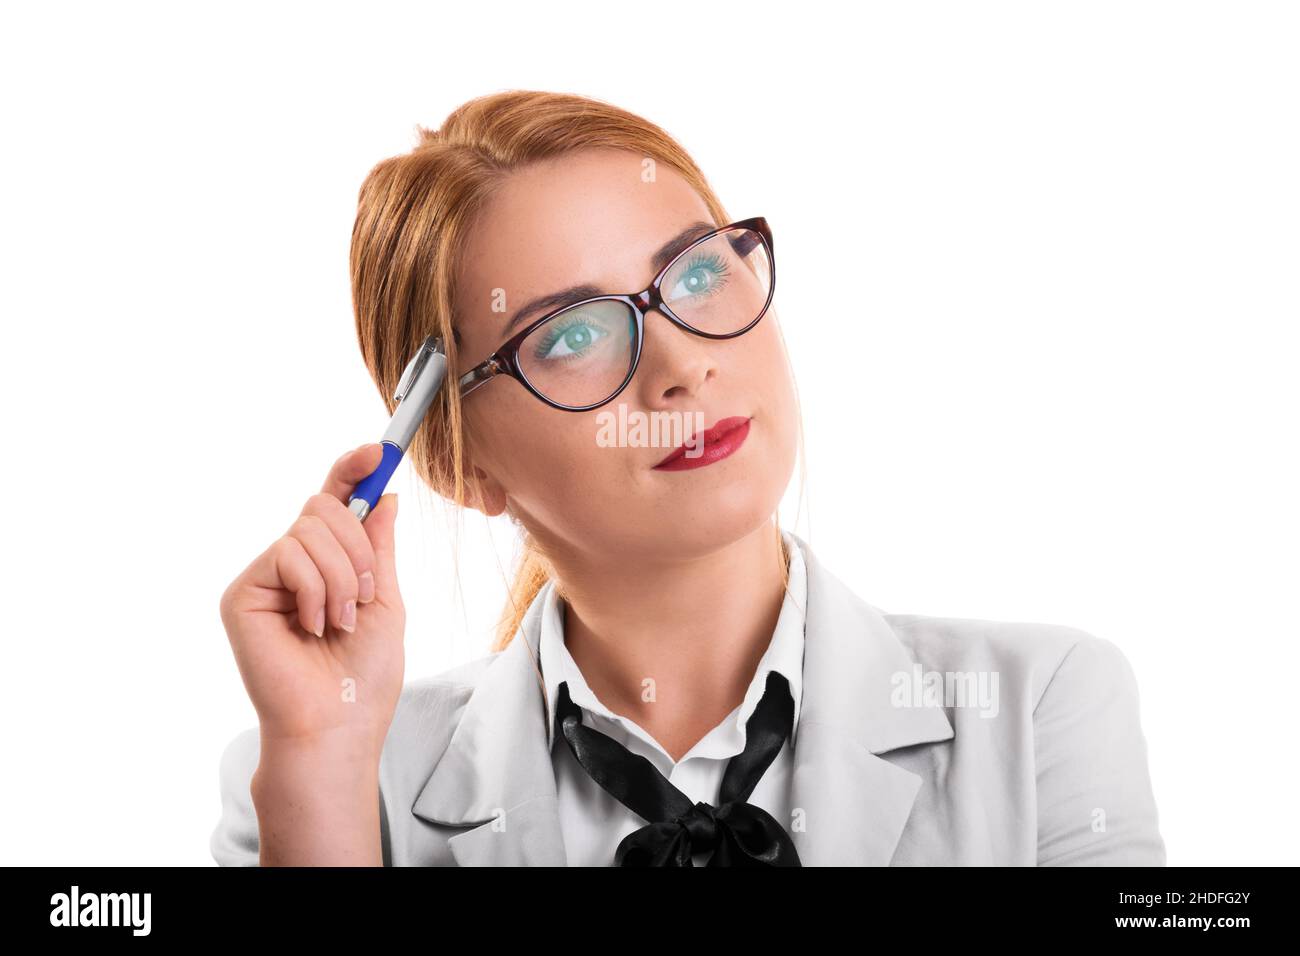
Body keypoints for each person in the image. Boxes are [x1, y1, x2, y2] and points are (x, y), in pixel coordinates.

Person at [211, 90, 1165, 867]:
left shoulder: (1044, 709)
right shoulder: (320, 775)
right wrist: (324, 767)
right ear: (462, 467)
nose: (681, 364)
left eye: (698, 276)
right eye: (573, 334)